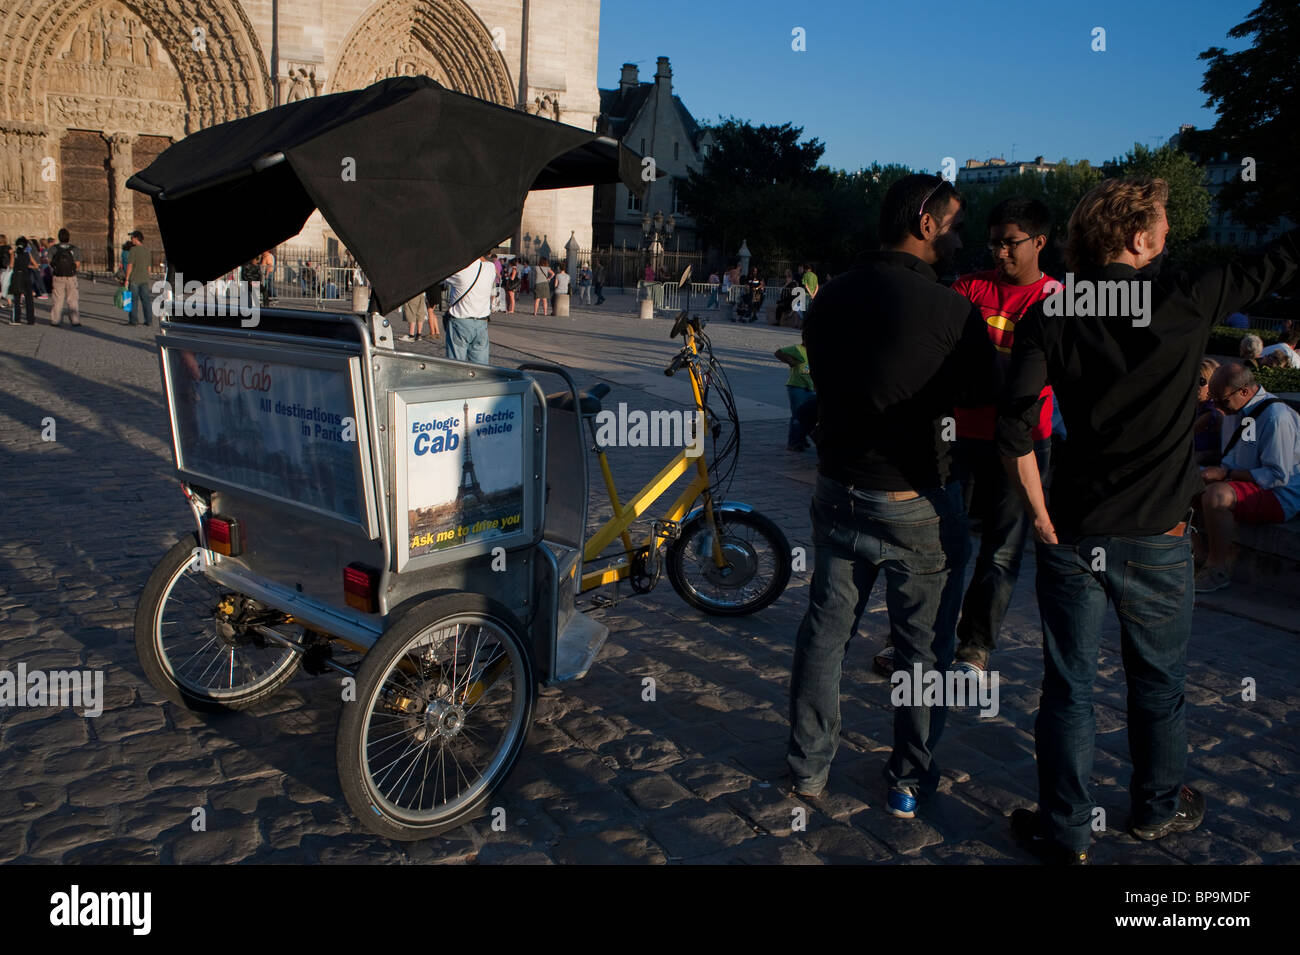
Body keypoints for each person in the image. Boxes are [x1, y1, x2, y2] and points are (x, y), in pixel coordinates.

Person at [997, 177, 1300, 864]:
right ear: (1139, 237)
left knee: (1068, 687)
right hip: (1159, 533)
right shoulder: (1186, 299)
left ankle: (1066, 829)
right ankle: (1156, 809)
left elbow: (1015, 426)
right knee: (1159, 684)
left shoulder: (1054, 310)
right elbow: (1279, 259)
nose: (1170, 237)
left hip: (1074, 529)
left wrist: (1039, 514)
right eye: (1163, 225)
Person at [787, 173, 999, 819]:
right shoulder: (950, 309)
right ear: (927, 223)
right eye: (955, 221)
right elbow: (983, 402)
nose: (961, 235)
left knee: (825, 635)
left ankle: (809, 768)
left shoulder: (830, 297)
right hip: (915, 499)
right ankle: (908, 778)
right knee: (922, 650)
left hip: (839, 488)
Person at [948, 197, 1059, 675]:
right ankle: (917, 636)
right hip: (962, 435)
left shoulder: (1060, 299)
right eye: (993, 243)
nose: (999, 253)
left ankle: (974, 646)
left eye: (1010, 244)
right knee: (942, 542)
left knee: (1003, 549)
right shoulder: (968, 288)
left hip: (1026, 443)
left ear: (1039, 242)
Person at [1194, 362, 1300, 592]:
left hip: (1279, 495)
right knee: (1185, 482)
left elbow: (1277, 475)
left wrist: (1226, 474)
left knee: (1216, 496)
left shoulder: (1275, 417)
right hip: (1241, 482)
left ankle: (1217, 568)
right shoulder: (1234, 409)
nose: (1217, 407)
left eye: (1221, 400)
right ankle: (1196, 555)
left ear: (1244, 391)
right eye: (1213, 400)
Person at [443, 253, 493, 363]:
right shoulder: (491, 267)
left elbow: (443, 275)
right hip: (481, 322)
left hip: (460, 321)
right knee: (481, 368)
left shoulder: (461, 270)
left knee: (456, 366)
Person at [775, 333, 815, 451]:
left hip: (811, 387)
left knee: (807, 415)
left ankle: (801, 439)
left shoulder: (816, 351)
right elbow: (778, 352)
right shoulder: (797, 349)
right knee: (797, 415)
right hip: (797, 387)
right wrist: (791, 361)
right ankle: (793, 442)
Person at [47, 228, 82, 327]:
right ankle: (75, 320)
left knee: (57, 299)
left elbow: (49, 261)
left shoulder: (53, 248)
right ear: (68, 237)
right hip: (71, 277)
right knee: (72, 300)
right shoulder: (74, 249)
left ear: (59, 237)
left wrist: (57, 267)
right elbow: (78, 264)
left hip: (58, 277)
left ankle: (55, 320)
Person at [1194, 357, 1224, 466]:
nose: (1196, 385)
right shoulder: (1197, 406)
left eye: (1201, 381)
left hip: (1202, 462)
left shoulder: (1211, 412)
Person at [123, 229, 154, 326]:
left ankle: (133, 321)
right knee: (146, 301)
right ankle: (148, 320)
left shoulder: (133, 250)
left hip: (134, 279)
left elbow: (130, 265)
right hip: (144, 279)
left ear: (136, 238)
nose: (131, 239)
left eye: (132, 237)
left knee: (133, 301)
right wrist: (146, 276)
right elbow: (149, 267)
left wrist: (126, 278)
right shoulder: (147, 250)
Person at [8, 236, 37, 325]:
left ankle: (17, 319)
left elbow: (11, 265)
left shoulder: (14, 253)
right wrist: (28, 266)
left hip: (17, 276)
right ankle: (30, 319)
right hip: (26, 276)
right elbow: (35, 265)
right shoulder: (28, 253)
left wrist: (11, 256)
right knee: (29, 299)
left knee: (17, 298)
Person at [0, 234, 12, 308]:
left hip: (3, 268)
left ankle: (9, 302)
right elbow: (12, 255)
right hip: (6, 268)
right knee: (6, 285)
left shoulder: (6, 248)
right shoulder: (8, 247)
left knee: (3, 285)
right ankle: (9, 302)